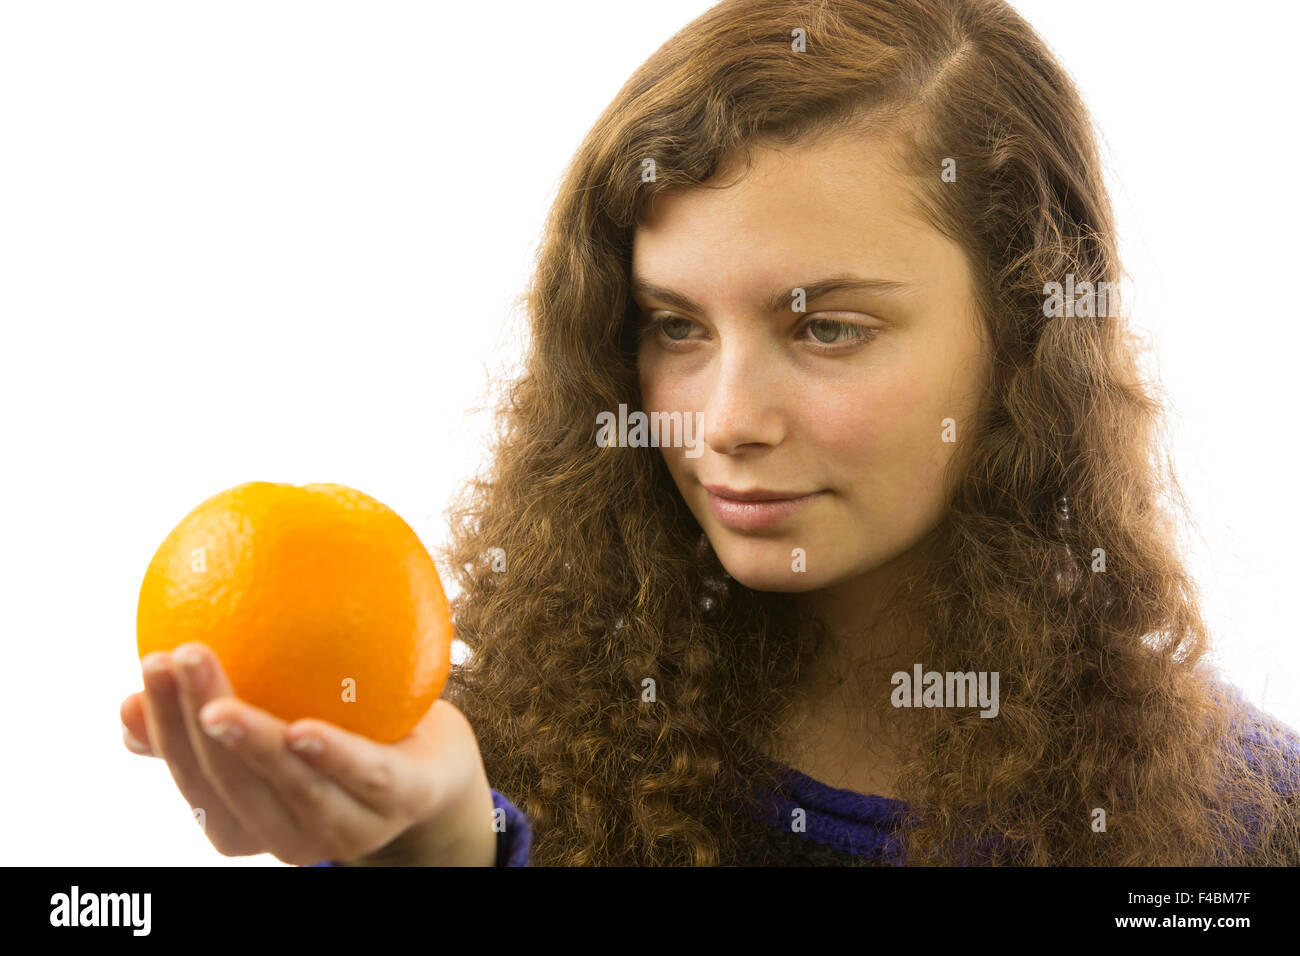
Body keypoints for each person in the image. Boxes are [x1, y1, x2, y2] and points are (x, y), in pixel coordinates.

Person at [122, 0, 1300, 866]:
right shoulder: (465, 773)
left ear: (1028, 332)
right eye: (672, 326)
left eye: (827, 328)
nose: (723, 422)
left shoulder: (1238, 823)